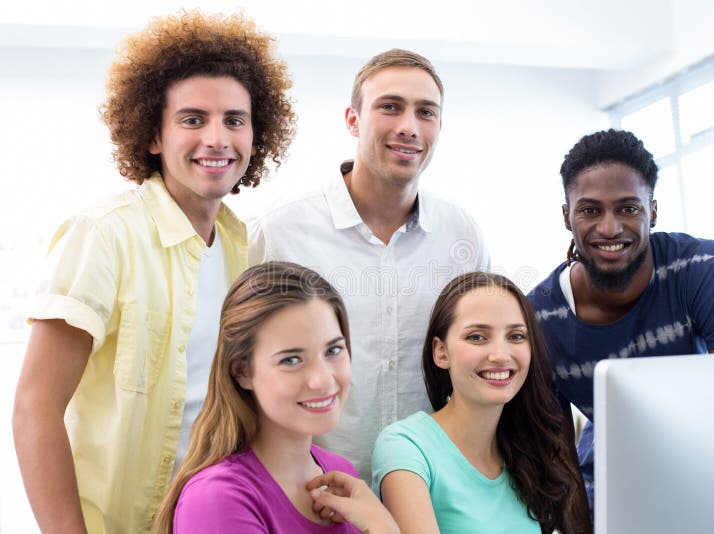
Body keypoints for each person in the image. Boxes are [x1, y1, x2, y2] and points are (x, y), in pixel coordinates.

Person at [12, 10, 295, 533]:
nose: (217, 138)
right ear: (154, 136)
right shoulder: (105, 235)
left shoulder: (247, 250)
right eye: (193, 120)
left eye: (235, 120)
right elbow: (35, 406)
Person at [249, 49, 489, 476]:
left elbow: (483, 356)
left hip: (434, 488)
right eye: (390, 107)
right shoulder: (282, 231)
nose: (408, 127)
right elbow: (241, 363)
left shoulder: (462, 234)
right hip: (312, 491)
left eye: (426, 112)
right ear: (353, 119)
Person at [527, 128, 714, 514]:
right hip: (610, 481)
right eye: (590, 210)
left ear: (652, 211)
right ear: (566, 216)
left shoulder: (705, 268)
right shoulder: (539, 319)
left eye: (628, 208)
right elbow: (560, 464)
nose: (609, 228)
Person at [154, 262, 398, 534]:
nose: (322, 379)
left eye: (333, 351)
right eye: (291, 360)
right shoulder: (215, 500)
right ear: (242, 372)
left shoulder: (341, 475)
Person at [372, 272, 591, 534]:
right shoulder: (405, 447)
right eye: (477, 337)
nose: (500, 355)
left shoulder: (531, 453)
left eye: (516, 336)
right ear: (441, 352)